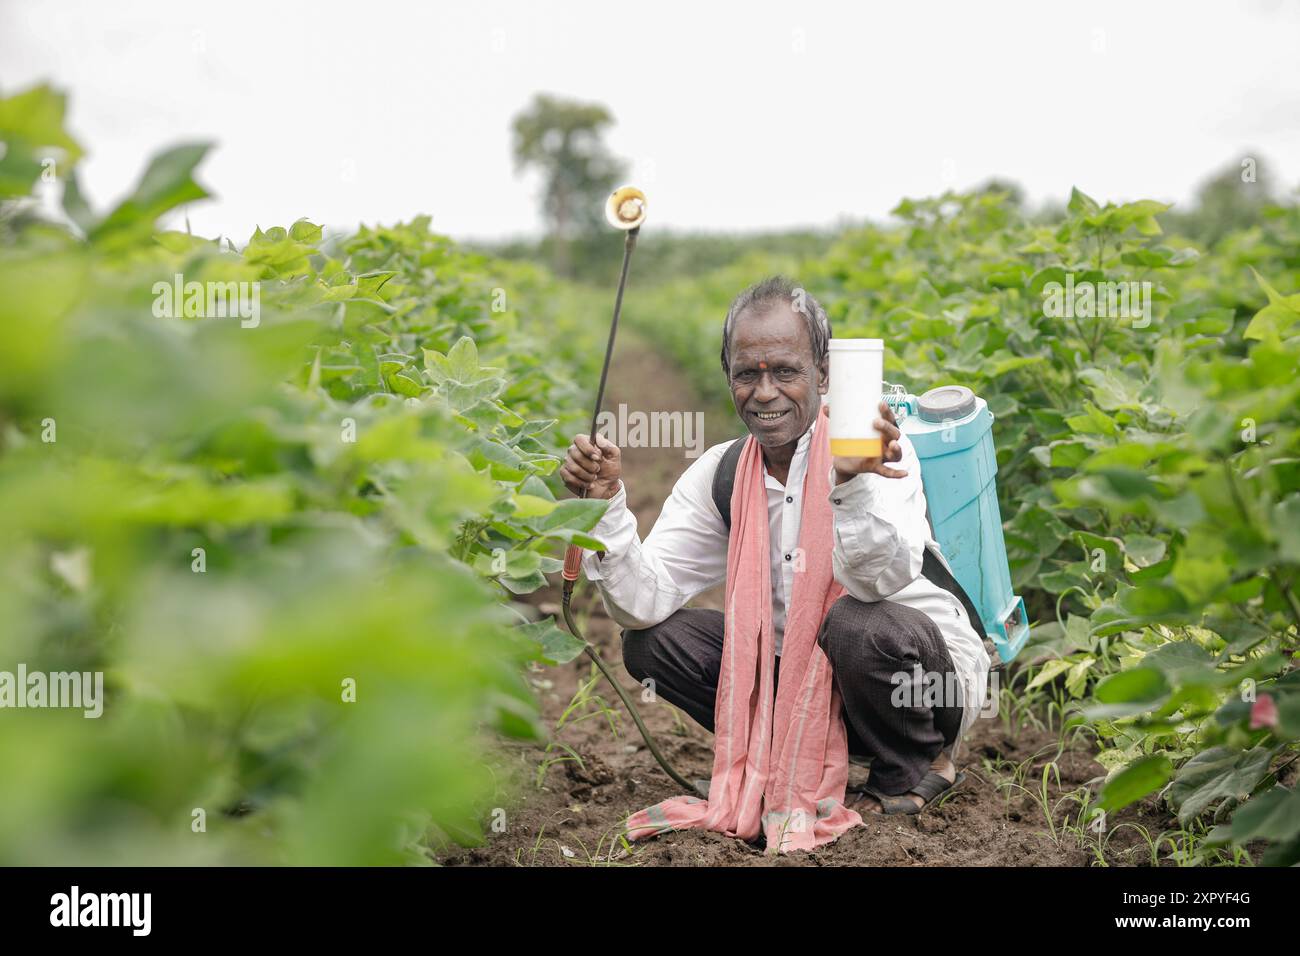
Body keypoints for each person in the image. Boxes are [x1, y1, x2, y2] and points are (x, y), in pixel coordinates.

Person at [559, 276, 990, 815]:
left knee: (858, 624)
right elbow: (643, 604)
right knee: (652, 643)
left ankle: (917, 764)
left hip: (917, 675)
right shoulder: (722, 473)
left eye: (786, 371)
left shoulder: (876, 446)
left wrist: (851, 483)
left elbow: (879, 580)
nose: (765, 393)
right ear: (728, 377)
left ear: (823, 374)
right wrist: (606, 504)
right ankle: (786, 749)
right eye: (747, 374)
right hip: (804, 682)